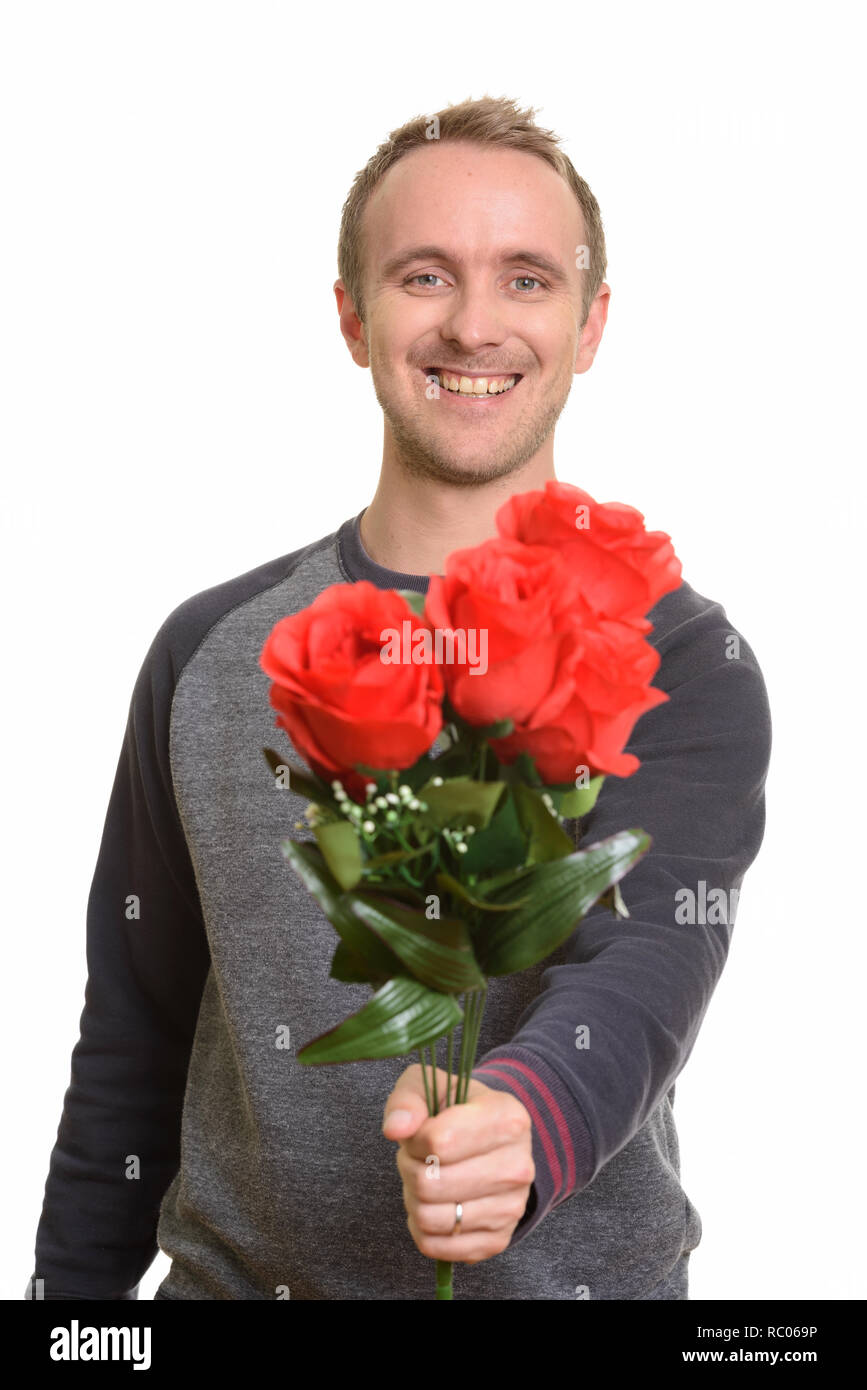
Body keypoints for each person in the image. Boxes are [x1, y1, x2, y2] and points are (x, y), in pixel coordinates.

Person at [26, 95, 771, 1301]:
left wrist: (526, 1115)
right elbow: (132, 1038)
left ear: (590, 323)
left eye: (527, 278)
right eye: (425, 275)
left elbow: (647, 968)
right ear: (352, 316)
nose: (474, 323)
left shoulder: (679, 654)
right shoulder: (208, 651)